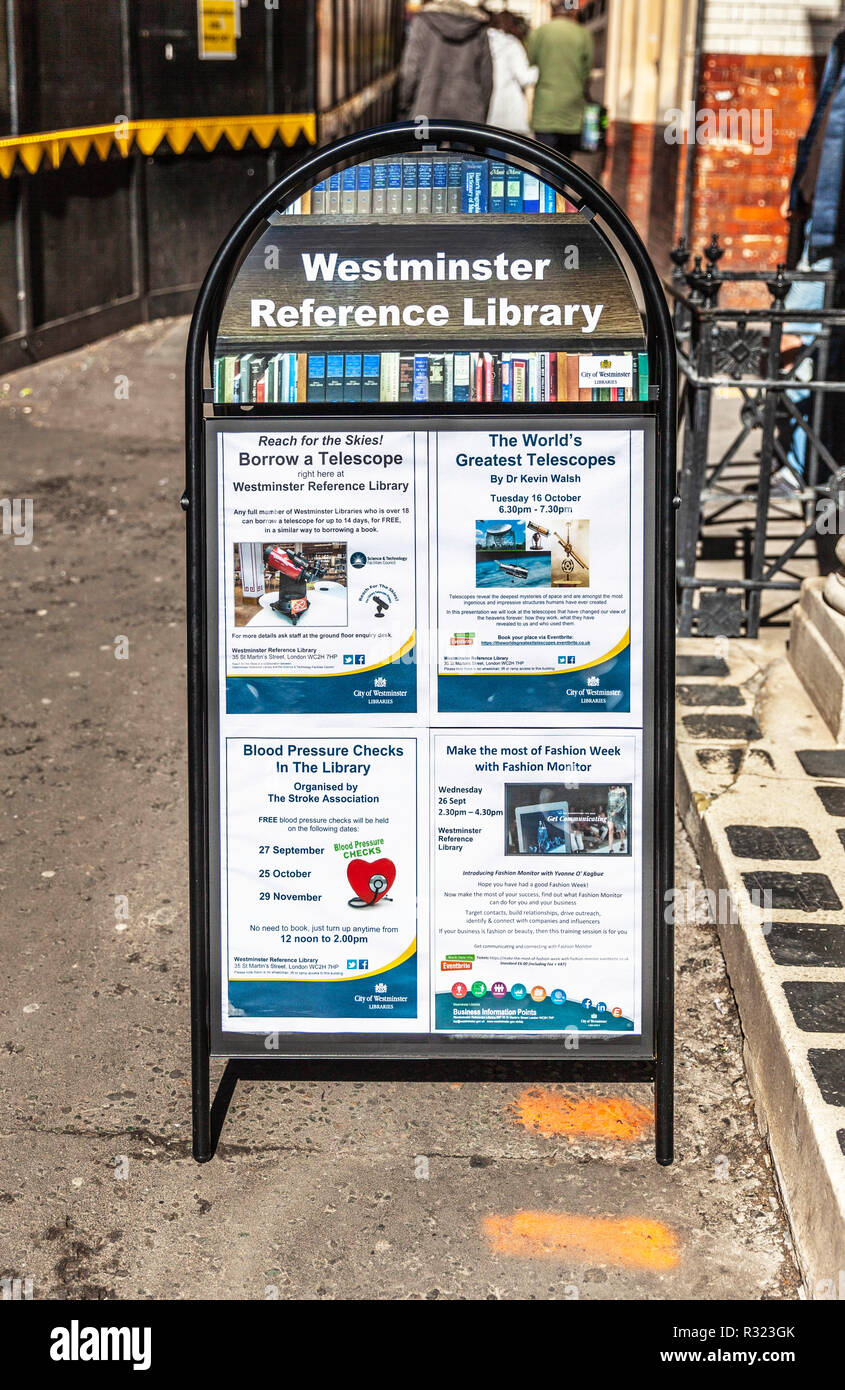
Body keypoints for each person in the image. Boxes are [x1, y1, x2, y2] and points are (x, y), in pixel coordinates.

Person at [775, 28, 845, 499]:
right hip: (820, 222)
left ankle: (808, 468)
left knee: (809, 347)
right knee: (799, 344)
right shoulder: (841, 44)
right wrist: (801, 185)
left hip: (834, 231)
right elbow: (825, 123)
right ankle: (803, 465)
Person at [399, 0, 492, 125]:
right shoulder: (477, 26)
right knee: (464, 142)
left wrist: (405, 103)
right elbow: (486, 75)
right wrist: (482, 109)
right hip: (468, 114)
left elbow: (410, 69)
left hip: (426, 110)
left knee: (425, 144)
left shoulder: (423, 21)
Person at [527, 1, 593, 158]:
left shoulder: (538, 33)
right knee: (564, 163)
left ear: (552, 10)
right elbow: (586, 74)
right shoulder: (582, 34)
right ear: (571, 11)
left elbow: (531, 64)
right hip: (572, 109)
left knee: (545, 165)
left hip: (545, 108)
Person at [486, 11, 538, 136]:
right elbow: (524, 78)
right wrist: (538, 70)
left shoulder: (483, 41)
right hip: (506, 108)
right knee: (499, 150)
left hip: (486, 106)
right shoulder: (512, 45)